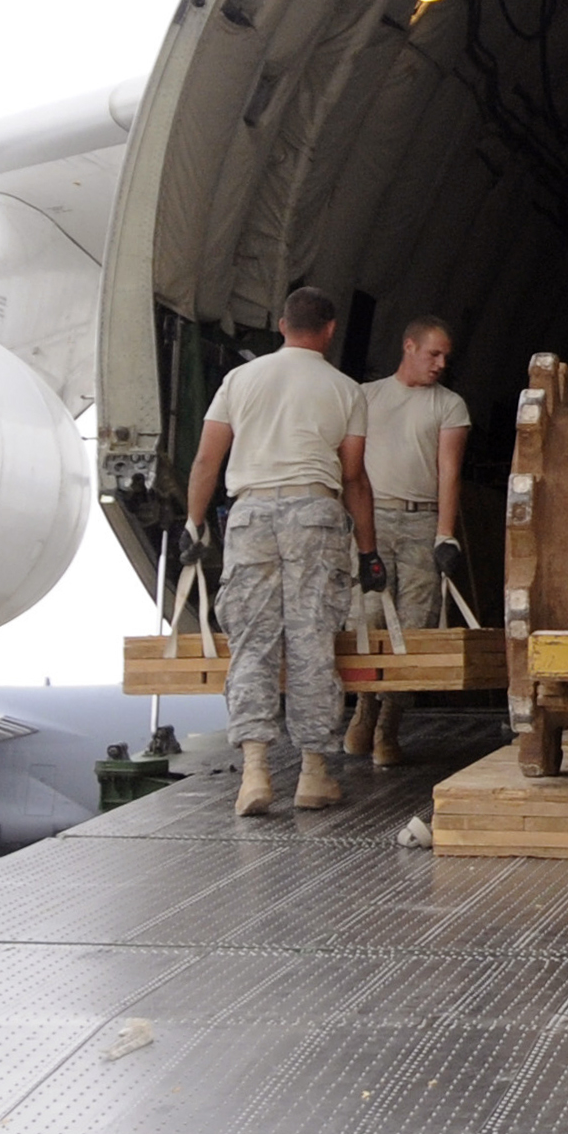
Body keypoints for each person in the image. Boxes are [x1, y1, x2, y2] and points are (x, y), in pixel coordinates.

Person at [185, 288, 366, 817]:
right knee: (311, 641)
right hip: (315, 512)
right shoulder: (346, 389)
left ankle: (256, 773)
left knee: (253, 642)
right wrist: (370, 549)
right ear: (329, 329)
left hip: (251, 515)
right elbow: (353, 475)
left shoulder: (239, 380)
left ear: (282, 325)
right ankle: (312, 774)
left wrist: (195, 527)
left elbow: (204, 462)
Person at [348, 316, 472, 767]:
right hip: (373, 518)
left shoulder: (450, 405)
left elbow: (449, 472)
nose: (440, 364)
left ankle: (388, 727)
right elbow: (349, 465)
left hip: (421, 523)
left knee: (414, 629)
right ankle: (364, 710)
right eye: (433, 354)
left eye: (445, 357)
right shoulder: (365, 397)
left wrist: (445, 534)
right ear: (408, 346)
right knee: (367, 621)